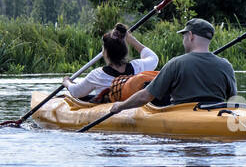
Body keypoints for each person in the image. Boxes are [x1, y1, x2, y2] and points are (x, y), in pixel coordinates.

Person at [107, 18, 236, 113]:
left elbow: (145, 96)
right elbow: (233, 101)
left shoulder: (176, 63)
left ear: (190, 36)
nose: (183, 40)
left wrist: (121, 106)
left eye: (184, 36)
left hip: (182, 116)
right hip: (216, 114)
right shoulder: (226, 66)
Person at [63, 23, 158, 102]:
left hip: (112, 108)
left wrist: (67, 82)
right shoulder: (139, 67)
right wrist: (130, 39)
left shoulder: (97, 75)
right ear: (124, 50)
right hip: (134, 105)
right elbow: (153, 58)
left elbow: (76, 92)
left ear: (105, 52)